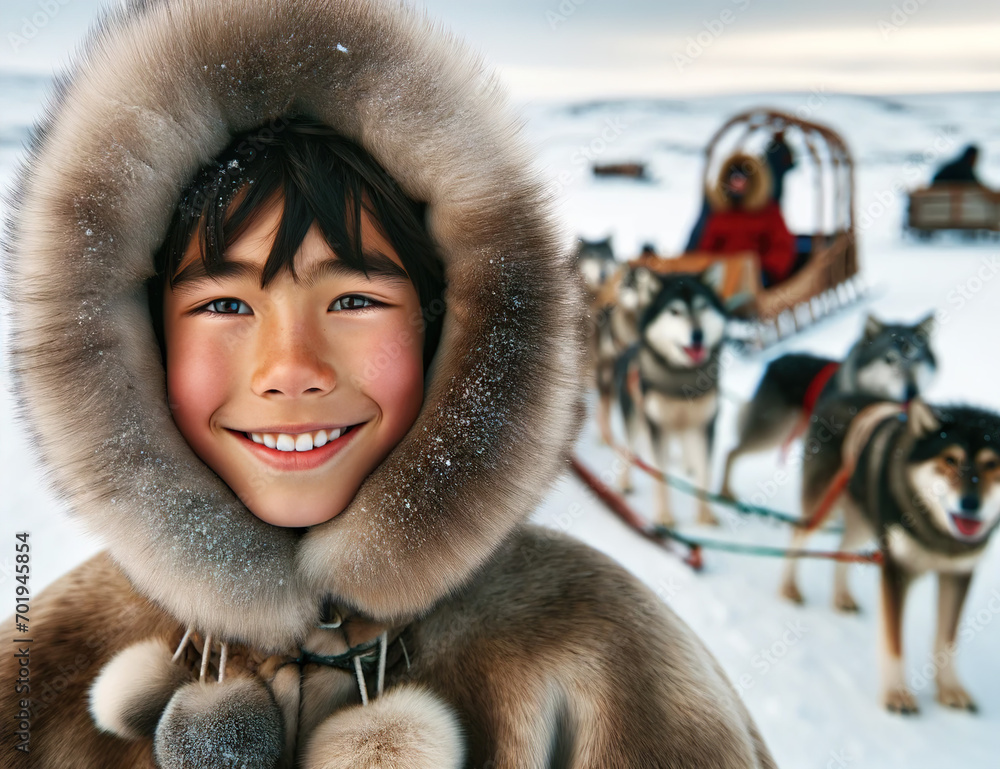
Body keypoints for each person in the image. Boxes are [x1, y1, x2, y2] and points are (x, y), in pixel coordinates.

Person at [0, 2, 777, 767]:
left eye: (353, 301)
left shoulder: (604, 660)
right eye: (226, 305)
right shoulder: (42, 669)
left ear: (451, 333)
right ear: (137, 342)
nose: (291, 368)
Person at [698, 153, 797, 287]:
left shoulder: (769, 213)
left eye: (741, 179)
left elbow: (782, 248)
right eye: (733, 179)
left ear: (752, 182)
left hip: (757, 279)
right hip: (721, 277)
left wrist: (767, 273)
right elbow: (707, 248)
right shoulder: (720, 214)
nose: (737, 184)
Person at [764, 130, 796, 204]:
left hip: (775, 176)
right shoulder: (777, 146)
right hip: (773, 176)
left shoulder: (778, 146)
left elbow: (788, 162)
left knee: (775, 194)